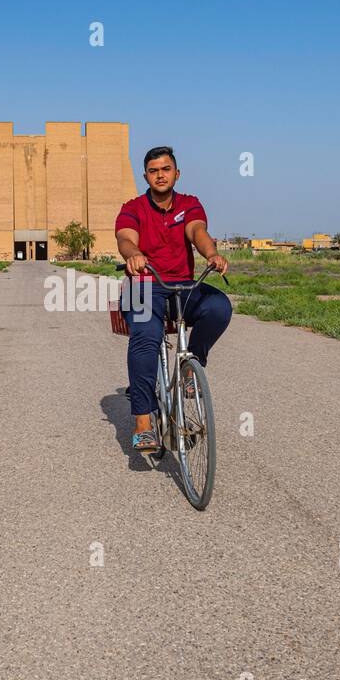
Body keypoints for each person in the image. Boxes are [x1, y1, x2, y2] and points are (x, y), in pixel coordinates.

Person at [114, 146, 231, 453]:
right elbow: (125, 237)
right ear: (145, 177)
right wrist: (133, 254)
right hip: (144, 285)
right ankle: (143, 422)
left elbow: (197, 231)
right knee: (146, 337)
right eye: (153, 171)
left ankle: (191, 368)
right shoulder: (133, 208)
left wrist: (211, 254)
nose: (160, 175)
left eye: (166, 169)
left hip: (182, 285)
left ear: (176, 174)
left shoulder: (189, 204)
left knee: (219, 307)